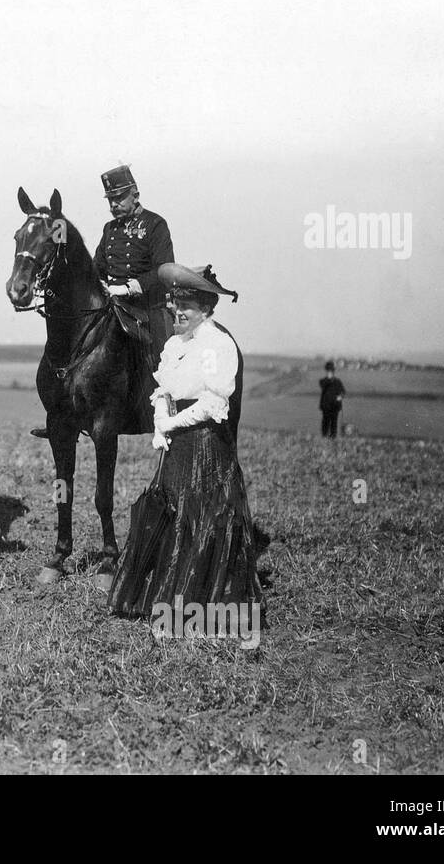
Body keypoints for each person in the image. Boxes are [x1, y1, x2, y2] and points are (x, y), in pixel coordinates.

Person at [107, 263, 263, 620]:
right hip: (177, 444)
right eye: (175, 302)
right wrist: (161, 420)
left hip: (206, 445)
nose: (176, 310)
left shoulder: (217, 344)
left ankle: (203, 605)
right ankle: (166, 598)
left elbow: (214, 402)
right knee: (171, 513)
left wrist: (173, 423)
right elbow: (164, 388)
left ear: (205, 310)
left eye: (186, 306)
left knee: (203, 519)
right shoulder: (175, 343)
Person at [31, 163, 174, 438]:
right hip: (114, 304)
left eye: (119, 198)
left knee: (161, 353)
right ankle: (63, 416)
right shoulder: (109, 229)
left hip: (147, 306)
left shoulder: (155, 225)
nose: (114, 205)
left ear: (135, 194)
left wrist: (129, 288)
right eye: (110, 200)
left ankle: (162, 410)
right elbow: (96, 268)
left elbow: (164, 269)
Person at [319, 361, 346, 437]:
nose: (329, 372)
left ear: (333, 371)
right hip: (326, 405)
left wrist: (340, 396)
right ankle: (324, 436)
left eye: (331, 371)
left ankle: (333, 437)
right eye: (328, 371)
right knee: (325, 422)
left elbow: (343, 391)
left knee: (334, 422)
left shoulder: (338, 381)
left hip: (335, 405)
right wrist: (329, 379)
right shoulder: (323, 381)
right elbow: (323, 385)